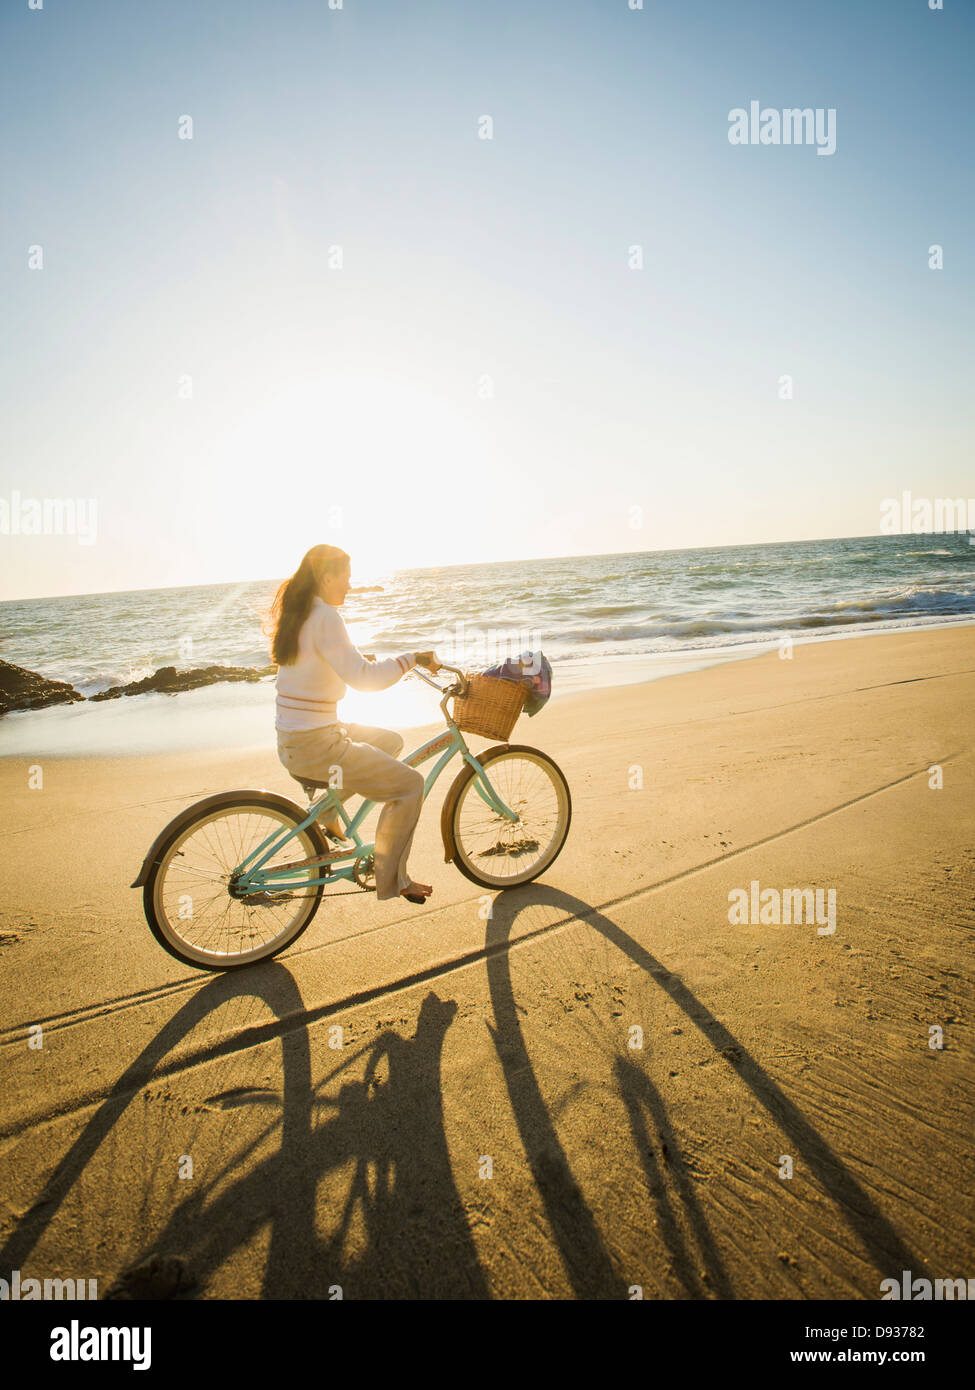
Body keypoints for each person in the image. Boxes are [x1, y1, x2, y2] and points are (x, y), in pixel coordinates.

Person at [269, 544, 440, 904]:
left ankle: (328, 809)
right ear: (327, 576)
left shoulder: (299, 613)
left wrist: (368, 661)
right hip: (318, 746)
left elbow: (330, 662)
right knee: (410, 785)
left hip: (294, 740)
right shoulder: (326, 617)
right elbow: (365, 680)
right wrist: (412, 658)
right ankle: (394, 880)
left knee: (390, 741)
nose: (349, 585)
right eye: (346, 578)